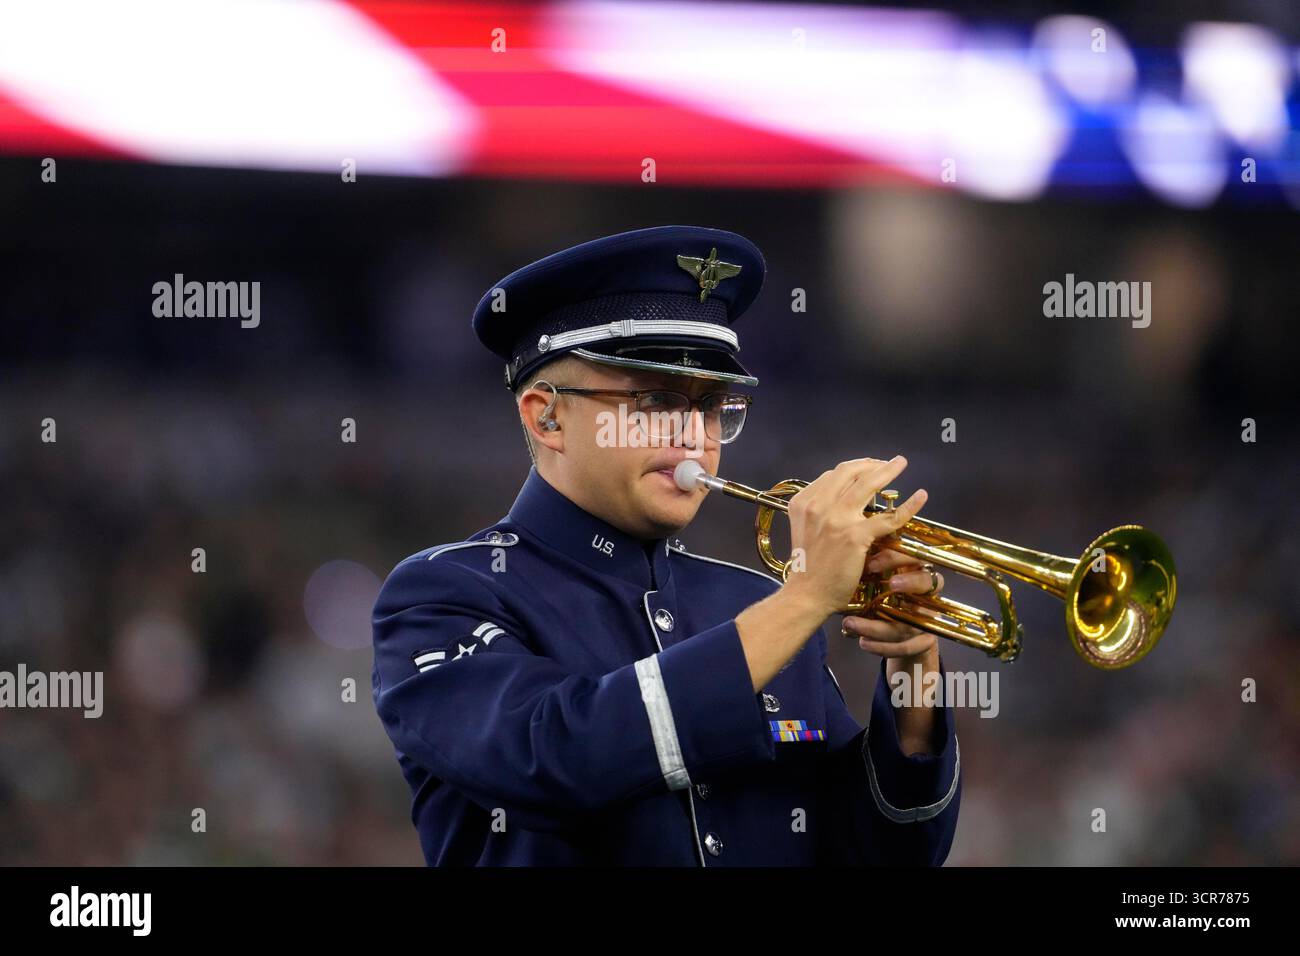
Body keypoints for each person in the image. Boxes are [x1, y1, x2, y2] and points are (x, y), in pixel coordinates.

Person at [371, 225, 960, 865]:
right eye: (654, 400)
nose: (693, 436)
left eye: (710, 407)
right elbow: (557, 758)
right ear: (547, 415)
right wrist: (808, 596)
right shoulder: (443, 594)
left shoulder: (755, 599)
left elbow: (884, 855)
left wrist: (912, 671)